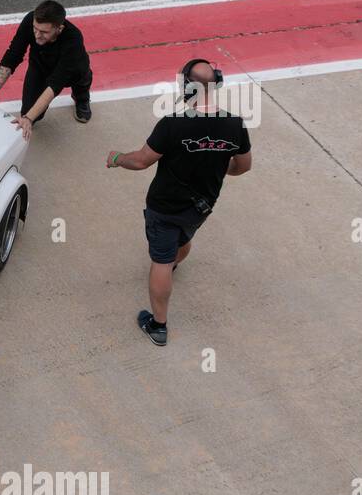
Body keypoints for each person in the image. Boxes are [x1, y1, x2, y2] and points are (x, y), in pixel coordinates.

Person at [105, 59, 253, 346]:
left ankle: (158, 325)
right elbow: (243, 166)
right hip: (202, 205)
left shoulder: (173, 124)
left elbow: (141, 161)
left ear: (188, 87)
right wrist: (219, 168)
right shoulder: (235, 124)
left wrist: (116, 158)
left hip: (165, 206)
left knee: (160, 260)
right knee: (183, 237)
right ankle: (173, 263)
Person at [0, 0, 93, 140]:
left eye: (44, 32)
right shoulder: (30, 20)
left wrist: (28, 119)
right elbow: (13, 55)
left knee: (81, 78)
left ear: (59, 29)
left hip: (72, 70)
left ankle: (81, 98)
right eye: (35, 29)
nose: (37, 35)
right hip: (40, 66)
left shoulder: (74, 40)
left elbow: (56, 84)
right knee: (30, 112)